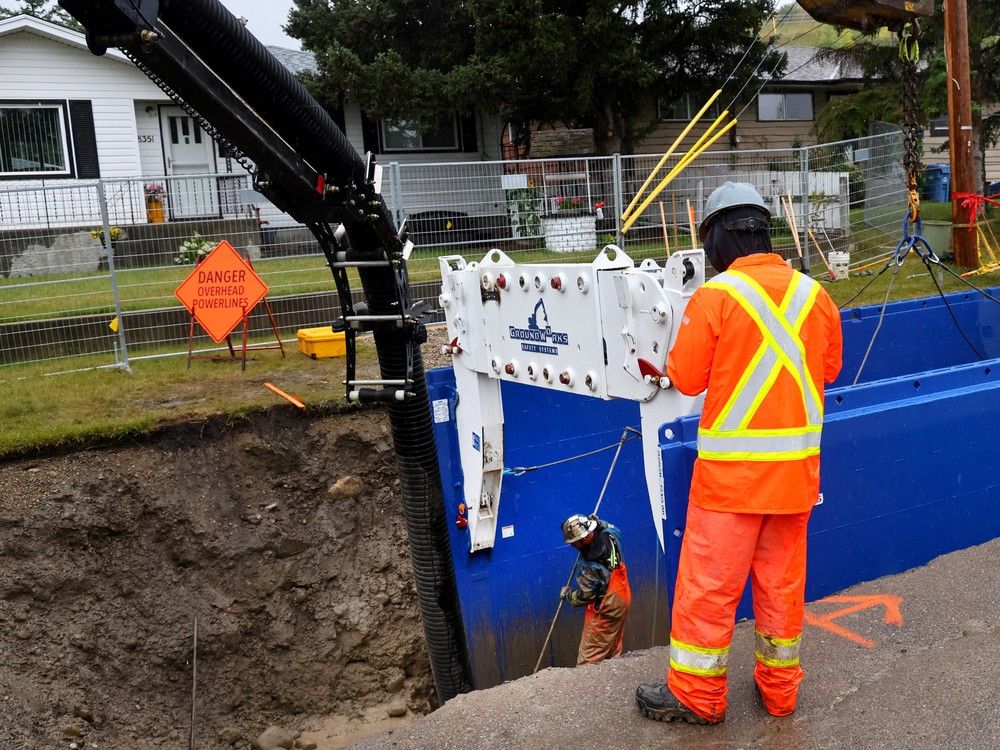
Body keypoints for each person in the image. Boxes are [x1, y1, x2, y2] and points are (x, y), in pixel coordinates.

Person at [636, 182, 843, 725]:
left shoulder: (715, 297)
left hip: (730, 486)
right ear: (761, 230)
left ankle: (698, 698)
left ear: (715, 241)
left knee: (709, 591)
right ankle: (780, 693)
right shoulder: (814, 295)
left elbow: (684, 376)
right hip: (795, 481)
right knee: (781, 591)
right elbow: (828, 370)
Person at [560, 513, 632, 665]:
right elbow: (613, 527)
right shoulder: (611, 535)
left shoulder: (588, 565)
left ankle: (588, 682)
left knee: (589, 655)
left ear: (585, 538)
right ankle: (612, 671)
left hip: (606, 608)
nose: (572, 545)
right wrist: (599, 523)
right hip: (623, 597)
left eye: (575, 542)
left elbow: (586, 596)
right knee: (612, 644)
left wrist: (568, 595)